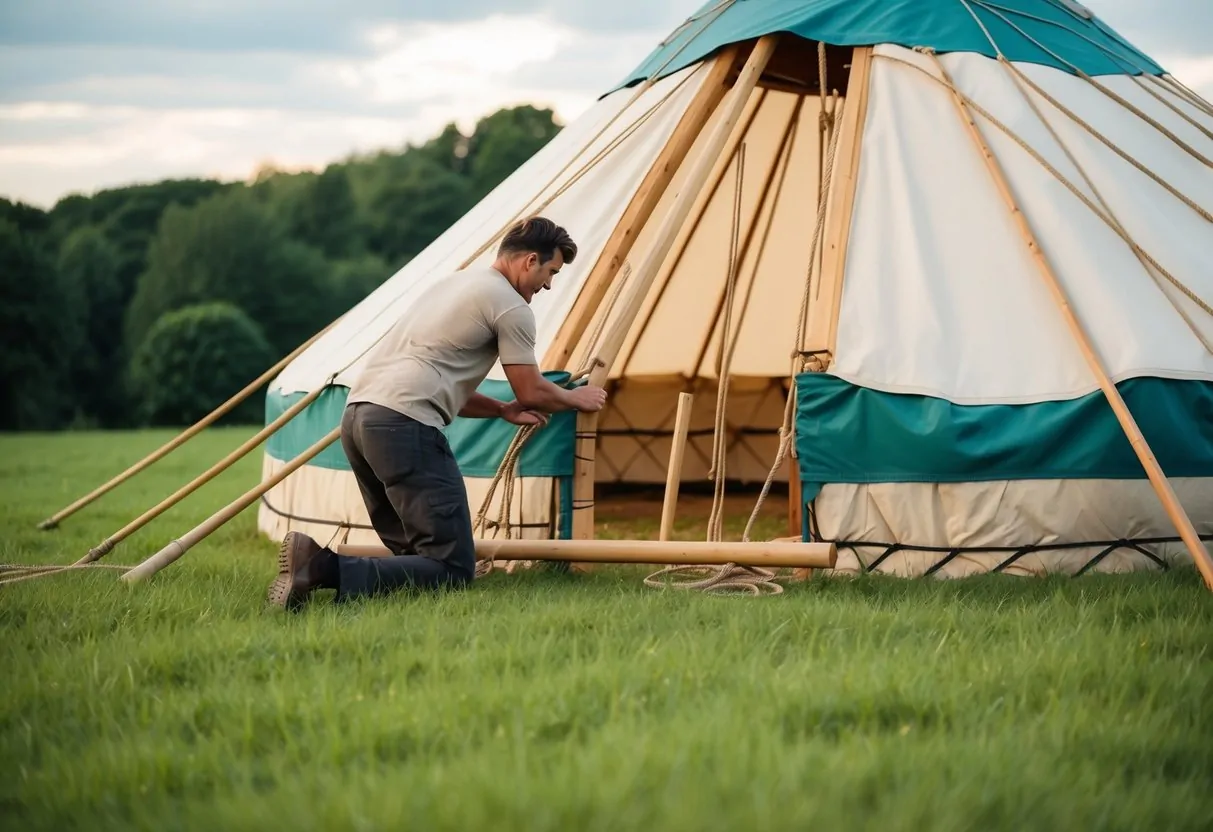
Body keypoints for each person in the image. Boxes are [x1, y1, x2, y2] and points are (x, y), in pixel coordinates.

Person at [267, 217, 608, 610]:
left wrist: (501, 410)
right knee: (452, 567)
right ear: (531, 260)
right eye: (551, 272)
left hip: (359, 420)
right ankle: (317, 565)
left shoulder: (451, 286)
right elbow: (530, 389)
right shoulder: (511, 306)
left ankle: (315, 586)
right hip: (403, 427)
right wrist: (576, 398)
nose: (548, 285)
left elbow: (443, 383)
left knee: (414, 554)